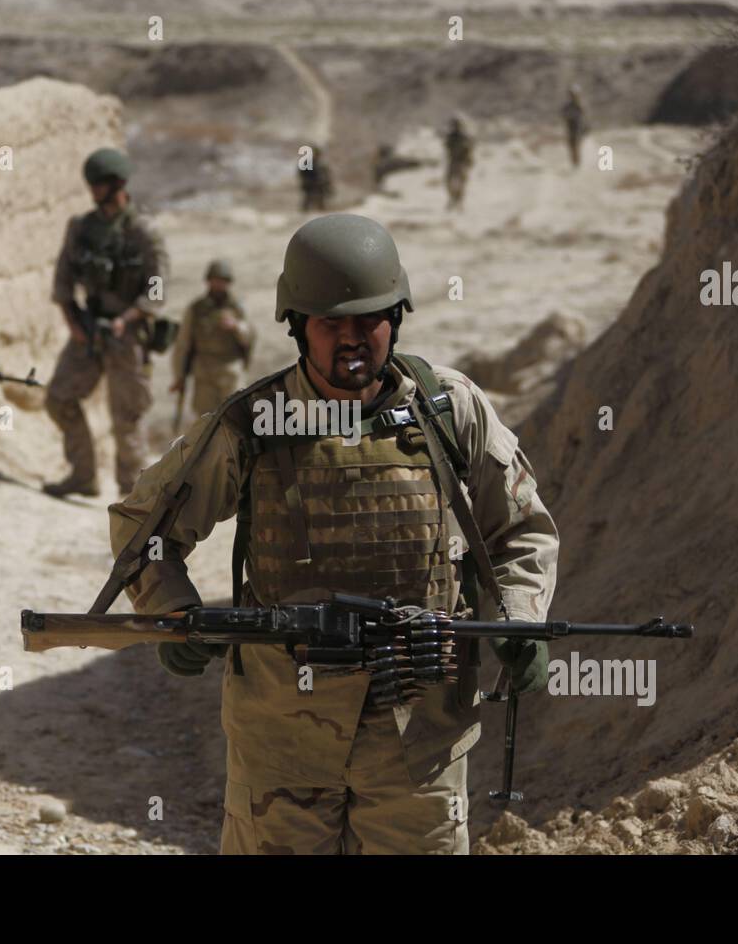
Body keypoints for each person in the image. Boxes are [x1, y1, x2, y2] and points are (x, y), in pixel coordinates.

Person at [107, 213, 559, 854]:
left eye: (368, 320)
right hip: (280, 743)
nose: (352, 340)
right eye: (330, 323)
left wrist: (520, 619)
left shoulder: (448, 409)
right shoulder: (253, 424)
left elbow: (521, 530)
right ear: (296, 326)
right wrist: (173, 613)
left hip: (419, 739)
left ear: (396, 317)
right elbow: (143, 529)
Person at [44, 147, 170, 499]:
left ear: (117, 184)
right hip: (87, 330)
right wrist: (71, 320)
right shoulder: (82, 228)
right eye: (92, 184)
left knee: (126, 417)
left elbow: (157, 290)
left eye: (99, 184)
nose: (94, 191)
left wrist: (127, 319)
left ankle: (133, 495)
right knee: (59, 398)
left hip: (126, 335)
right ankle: (84, 475)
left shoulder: (143, 232)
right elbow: (63, 279)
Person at [170, 258, 254, 423]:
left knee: (236, 419)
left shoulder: (237, 306)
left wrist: (236, 326)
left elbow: (249, 336)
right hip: (204, 372)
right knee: (205, 422)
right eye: (216, 280)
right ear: (208, 281)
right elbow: (183, 343)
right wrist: (179, 376)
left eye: (223, 281)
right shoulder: (196, 309)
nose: (219, 284)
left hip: (230, 371)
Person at [443, 114, 475, 210]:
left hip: (461, 162)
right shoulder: (451, 137)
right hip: (454, 161)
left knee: (460, 183)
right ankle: (454, 200)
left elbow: (469, 149)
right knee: (450, 182)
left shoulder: (464, 137)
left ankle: (458, 201)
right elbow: (447, 148)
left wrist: (469, 160)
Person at [298, 143, 334, 212]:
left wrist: (326, 183)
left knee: (321, 202)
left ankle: (321, 213)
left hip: (319, 186)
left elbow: (325, 175)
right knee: (308, 202)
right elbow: (303, 174)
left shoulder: (320, 163)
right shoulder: (307, 162)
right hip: (311, 185)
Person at [561, 85, 588, 168]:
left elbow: (584, 117)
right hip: (570, 128)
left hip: (578, 129)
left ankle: (577, 164)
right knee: (572, 147)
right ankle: (575, 164)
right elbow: (563, 115)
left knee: (576, 147)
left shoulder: (579, 105)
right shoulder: (568, 106)